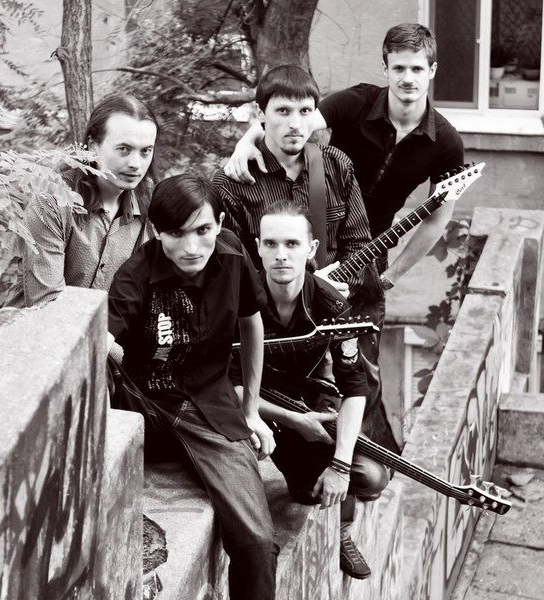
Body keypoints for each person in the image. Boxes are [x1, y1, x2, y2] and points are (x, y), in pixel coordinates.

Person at [224, 23, 465, 454]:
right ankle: (292, 434)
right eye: (398, 68)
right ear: (385, 68)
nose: (407, 78)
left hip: (367, 253)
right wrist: (247, 141)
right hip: (314, 238)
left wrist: (391, 276)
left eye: (416, 68)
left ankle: (355, 457)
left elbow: (435, 220)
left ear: (432, 70)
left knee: (359, 367)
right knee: (294, 350)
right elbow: (293, 121)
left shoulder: (446, 142)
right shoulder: (355, 103)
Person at [107, 174, 278, 600]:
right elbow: (101, 338)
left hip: (209, 406)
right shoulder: (136, 276)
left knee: (258, 542)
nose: (191, 247)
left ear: (219, 224)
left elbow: (251, 322)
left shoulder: (232, 255)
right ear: (156, 231)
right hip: (145, 407)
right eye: (176, 233)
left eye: (203, 230)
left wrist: (252, 409)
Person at [230, 201, 389, 580]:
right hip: (253, 409)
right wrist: (290, 420)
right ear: (257, 247)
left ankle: (342, 528)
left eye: (291, 244)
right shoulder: (236, 297)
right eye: (271, 244)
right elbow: (223, 382)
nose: (281, 255)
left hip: (309, 402)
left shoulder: (331, 304)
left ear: (311, 249)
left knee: (370, 476)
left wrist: (340, 466)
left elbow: (354, 388)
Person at [212, 63, 374, 302]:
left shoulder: (337, 165)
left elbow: (358, 244)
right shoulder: (231, 183)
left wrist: (333, 290)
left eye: (305, 111)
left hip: (332, 307)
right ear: (260, 113)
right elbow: (231, 269)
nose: (296, 124)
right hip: (263, 314)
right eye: (283, 111)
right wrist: (302, 291)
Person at [9, 93, 160, 307]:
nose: (136, 163)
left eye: (145, 151)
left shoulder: (152, 203)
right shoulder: (52, 202)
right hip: (38, 325)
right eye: (124, 149)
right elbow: (47, 303)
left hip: (109, 327)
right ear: (93, 146)